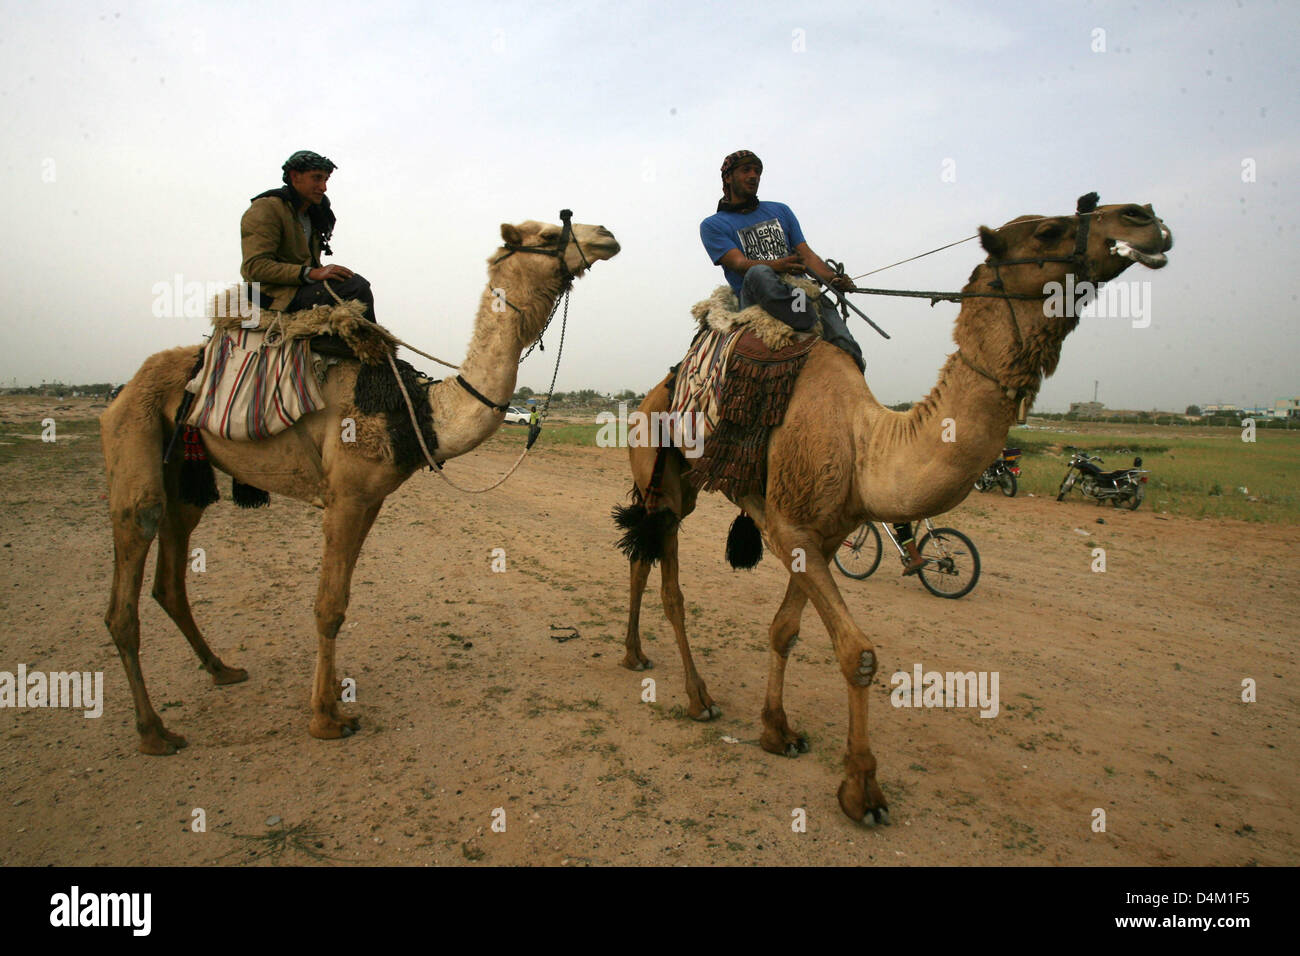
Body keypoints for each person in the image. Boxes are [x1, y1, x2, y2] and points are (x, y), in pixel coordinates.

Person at [698, 149, 864, 372]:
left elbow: (807, 256)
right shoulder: (712, 225)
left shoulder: (781, 210)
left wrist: (833, 279)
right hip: (756, 295)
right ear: (728, 177)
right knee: (758, 272)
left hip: (797, 291)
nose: (753, 176)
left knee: (847, 347)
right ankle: (803, 318)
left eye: (757, 171)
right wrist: (777, 265)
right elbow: (739, 264)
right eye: (746, 170)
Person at [241, 150, 376, 322]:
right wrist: (311, 273)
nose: (323, 187)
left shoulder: (313, 215)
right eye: (317, 178)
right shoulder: (267, 208)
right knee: (355, 287)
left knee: (350, 281)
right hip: (268, 294)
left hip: (297, 288)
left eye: (325, 180)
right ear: (295, 176)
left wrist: (318, 273)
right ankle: (361, 347)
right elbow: (255, 267)